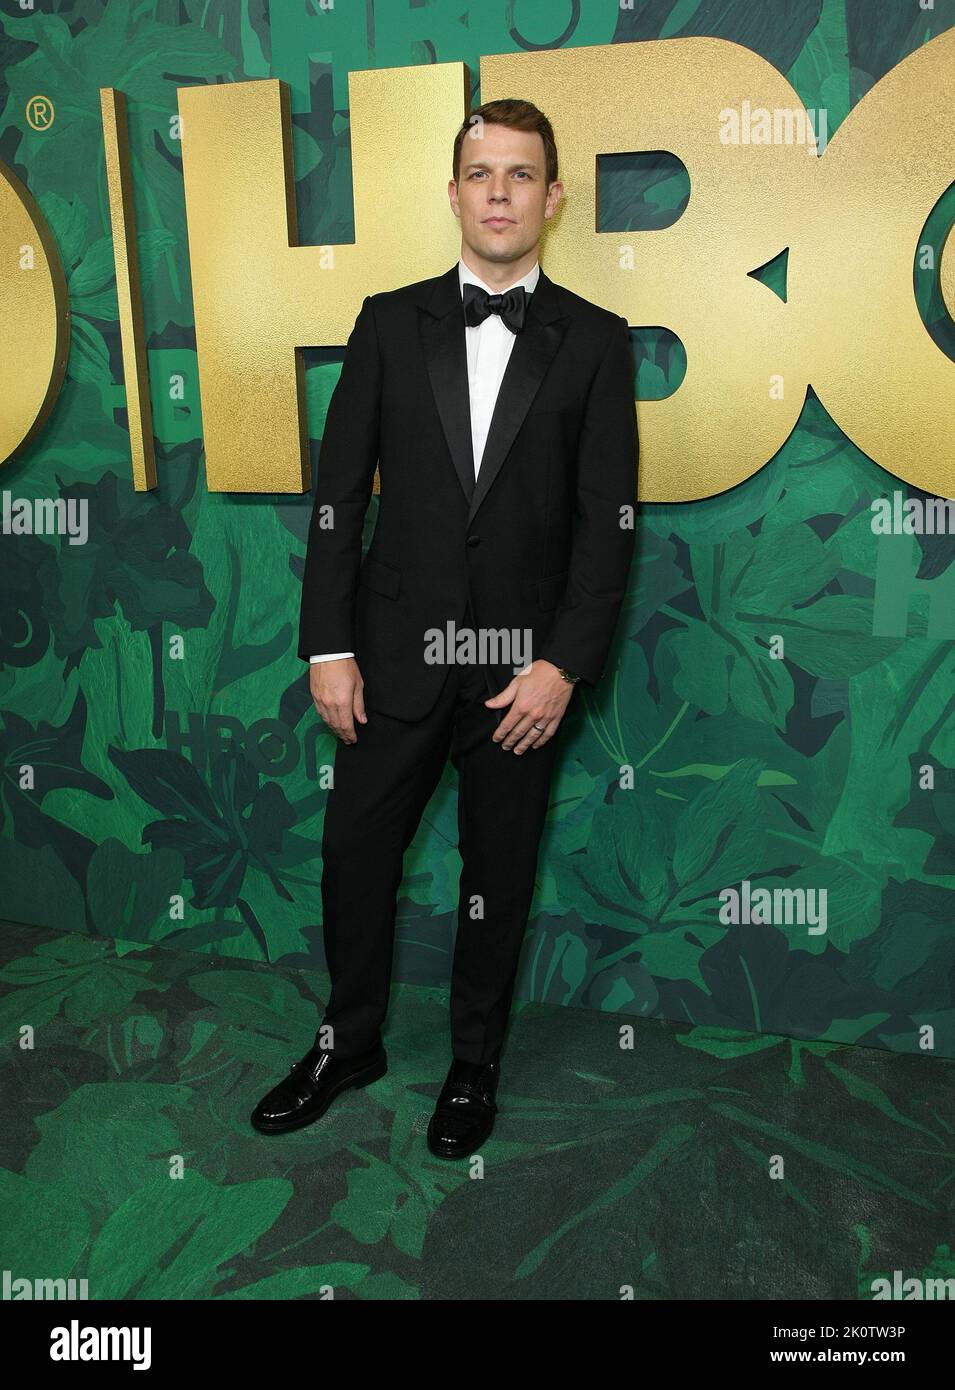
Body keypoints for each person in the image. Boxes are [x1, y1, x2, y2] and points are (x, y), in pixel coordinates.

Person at [251, 98, 638, 1158]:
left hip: (521, 677)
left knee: (494, 877)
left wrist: (563, 663)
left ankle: (474, 1064)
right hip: (389, 660)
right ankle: (349, 1041)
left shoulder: (599, 344)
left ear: (552, 198)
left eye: (521, 174)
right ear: (455, 192)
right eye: (481, 173)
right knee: (353, 858)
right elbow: (340, 495)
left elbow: (607, 527)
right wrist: (326, 644)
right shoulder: (387, 320)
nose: (501, 191)